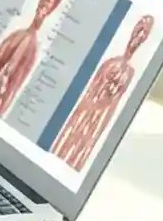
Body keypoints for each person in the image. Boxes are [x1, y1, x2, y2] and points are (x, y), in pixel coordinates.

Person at [51, 15, 153, 172]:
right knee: (66, 144)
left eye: (143, 34)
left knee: (78, 153)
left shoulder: (130, 72)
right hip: (85, 111)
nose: (138, 37)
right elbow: (91, 90)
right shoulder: (110, 62)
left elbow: (113, 105)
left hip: (97, 120)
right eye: (138, 30)